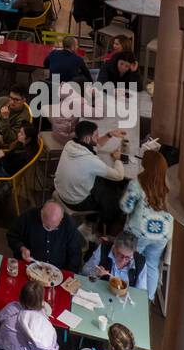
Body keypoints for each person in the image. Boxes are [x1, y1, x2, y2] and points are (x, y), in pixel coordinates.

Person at [119, 150, 173, 300]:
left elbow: (126, 207)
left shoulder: (138, 183)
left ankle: (128, 294)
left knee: (130, 261)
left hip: (138, 233)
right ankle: (147, 298)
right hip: (162, 235)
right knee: (152, 265)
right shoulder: (170, 185)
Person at [55, 119, 127, 225]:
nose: (98, 137)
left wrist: (109, 135)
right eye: (96, 135)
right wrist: (117, 159)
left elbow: (94, 146)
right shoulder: (91, 161)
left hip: (61, 190)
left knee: (101, 181)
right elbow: (119, 175)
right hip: (76, 201)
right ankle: (96, 225)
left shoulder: (70, 144)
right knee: (113, 197)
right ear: (87, 138)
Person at [7, 200, 82, 270]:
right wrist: (22, 248)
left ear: (61, 218)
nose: (50, 230)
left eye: (55, 227)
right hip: (30, 266)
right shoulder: (28, 217)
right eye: (47, 227)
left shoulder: (68, 223)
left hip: (57, 271)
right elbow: (12, 236)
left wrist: (68, 273)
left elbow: (75, 252)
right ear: (41, 213)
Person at [0, 86, 35, 178]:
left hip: (2, 136)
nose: (12, 102)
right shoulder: (2, 100)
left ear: (24, 100)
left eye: (16, 100)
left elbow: (10, 138)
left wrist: (5, 119)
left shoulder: (24, 117)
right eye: (11, 98)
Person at [83, 230, 148, 290]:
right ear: (114, 247)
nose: (123, 261)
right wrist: (96, 273)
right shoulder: (103, 249)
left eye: (128, 257)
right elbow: (84, 271)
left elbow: (141, 291)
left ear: (134, 252)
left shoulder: (140, 262)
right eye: (120, 255)